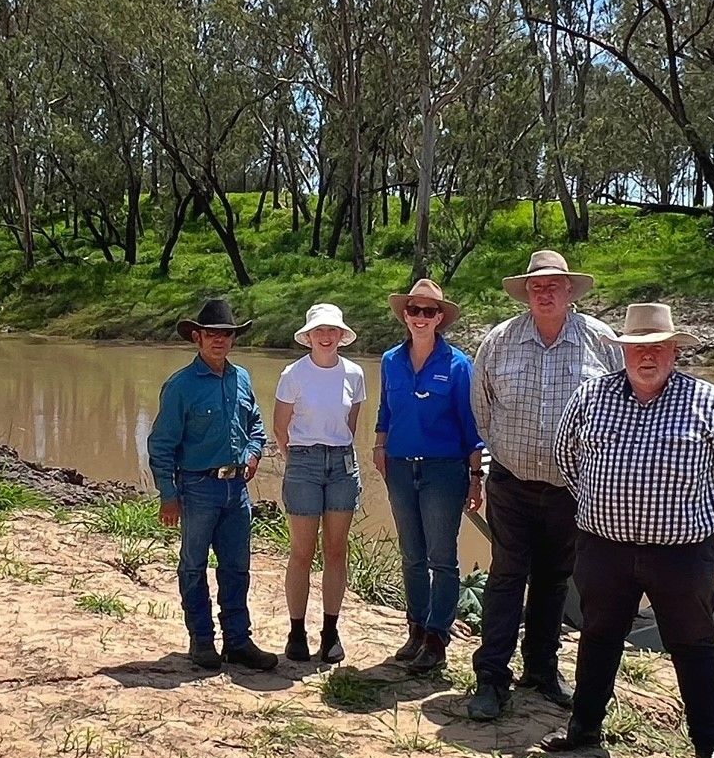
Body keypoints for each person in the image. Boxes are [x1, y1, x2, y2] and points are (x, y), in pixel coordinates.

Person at [544, 302, 714, 758]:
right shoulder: (590, 398)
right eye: (638, 348)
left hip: (683, 554)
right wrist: (598, 507)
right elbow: (566, 460)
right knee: (598, 639)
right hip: (605, 549)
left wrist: (708, 520)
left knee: (695, 645)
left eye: (658, 347)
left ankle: (710, 745)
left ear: (674, 351)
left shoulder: (710, 403)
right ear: (624, 351)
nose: (648, 357)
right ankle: (584, 728)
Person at [465, 250, 621, 722]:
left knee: (555, 581)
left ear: (570, 290)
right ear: (526, 293)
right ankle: (491, 678)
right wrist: (505, 459)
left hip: (573, 489)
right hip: (511, 484)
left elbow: (621, 406)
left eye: (554, 284)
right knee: (506, 578)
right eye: (537, 285)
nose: (545, 292)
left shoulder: (603, 343)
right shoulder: (498, 341)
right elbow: (483, 410)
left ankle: (541, 670)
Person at [148, 298, 278, 673]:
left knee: (237, 568)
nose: (219, 340)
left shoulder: (242, 378)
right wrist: (168, 496)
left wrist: (254, 454)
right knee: (193, 566)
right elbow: (161, 445)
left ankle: (238, 641)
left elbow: (255, 424)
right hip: (198, 487)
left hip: (237, 491)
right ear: (197, 338)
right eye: (212, 334)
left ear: (233, 339)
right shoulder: (181, 387)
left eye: (227, 334)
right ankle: (201, 640)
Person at [373, 279, 484, 674]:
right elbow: (385, 411)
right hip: (400, 467)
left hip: (444, 470)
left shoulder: (459, 365)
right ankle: (416, 629)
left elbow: (472, 426)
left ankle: (438, 639)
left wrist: (476, 475)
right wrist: (379, 448)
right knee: (411, 556)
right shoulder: (390, 361)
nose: (421, 318)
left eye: (429, 311)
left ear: (440, 318)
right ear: (405, 314)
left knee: (442, 558)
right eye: (414, 310)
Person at [273, 302, 366, 665]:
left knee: (337, 550)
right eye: (319, 331)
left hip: (342, 463)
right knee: (301, 551)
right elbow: (280, 428)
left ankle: (330, 631)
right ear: (308, 336)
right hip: (304, 462)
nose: (326, 337)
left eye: (333, 331)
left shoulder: (355, 374)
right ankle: (297, 631)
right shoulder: (292, 374)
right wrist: (296, 458)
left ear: (342, 336)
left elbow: (351, 423)